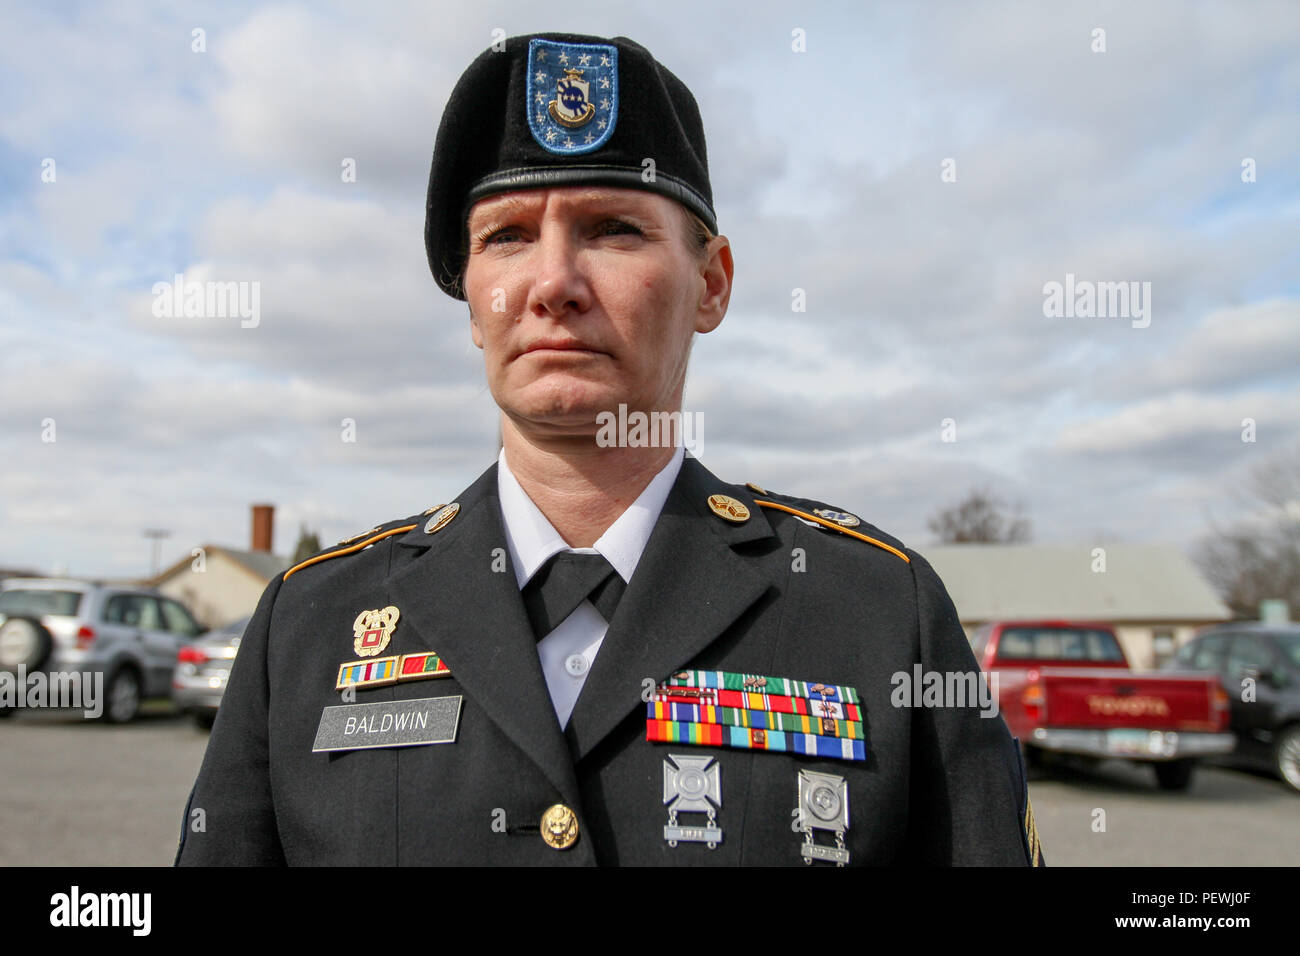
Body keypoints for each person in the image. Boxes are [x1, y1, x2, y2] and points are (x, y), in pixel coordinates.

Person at [175, 32, 1043, 866]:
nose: (553, 283)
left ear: (711, 283)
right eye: (507, 236)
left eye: (615, 229)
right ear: (475, 304)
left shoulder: (879, 614)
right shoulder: (310, 625)